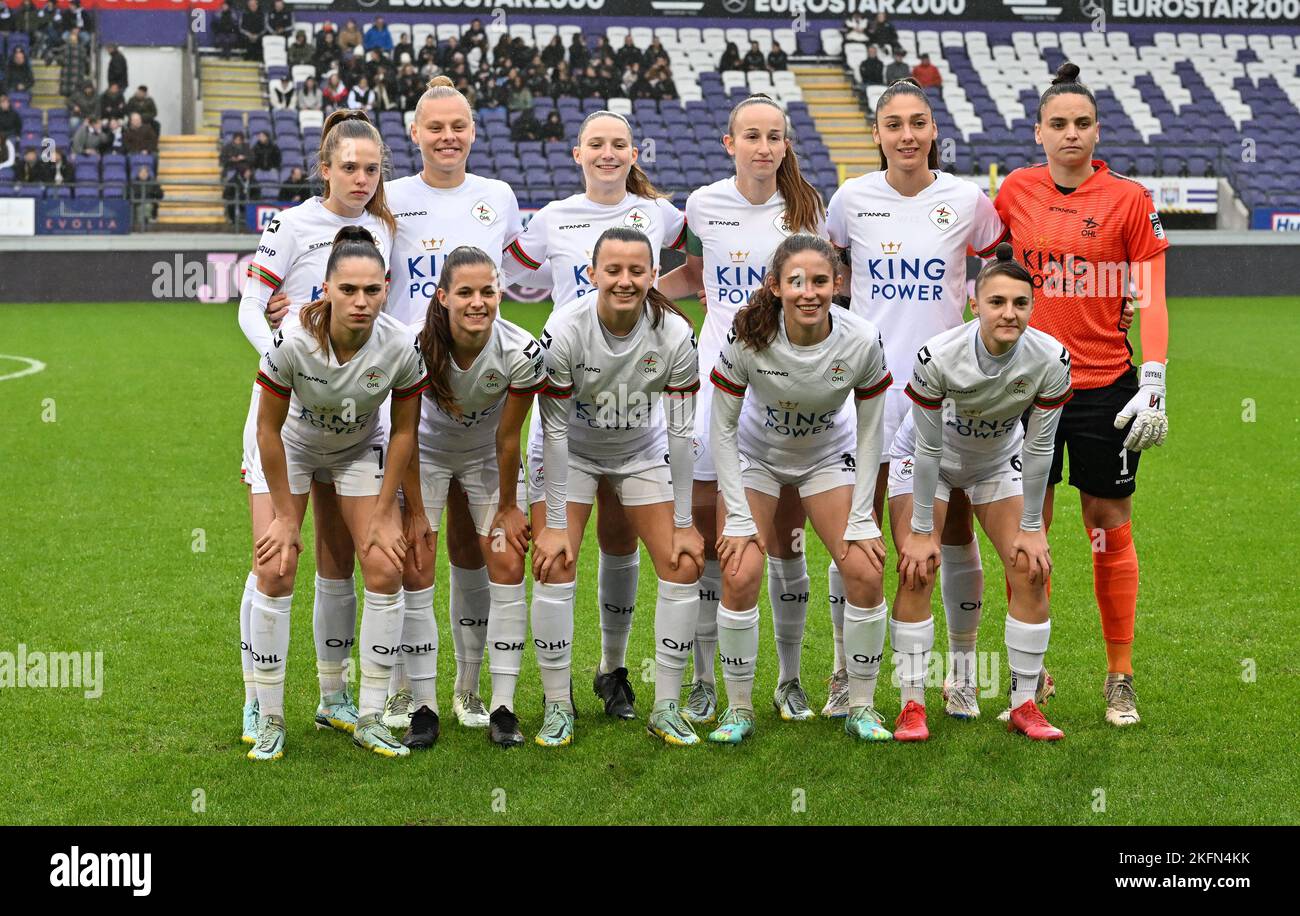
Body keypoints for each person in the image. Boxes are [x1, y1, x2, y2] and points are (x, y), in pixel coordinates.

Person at [993, 63, 1170, 727]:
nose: (1072, 134)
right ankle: (1031, 666)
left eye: (1083, 123)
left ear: (1098, 130)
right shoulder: (1015, 192)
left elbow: (1150, 293)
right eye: (1058, 124)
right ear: (1037, 132)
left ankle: (1119, 673)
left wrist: (1153, 376)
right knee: (1027, 528)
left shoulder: (1128, 200)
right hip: (1024, 389)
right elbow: (980, 259)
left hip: (1105, 390)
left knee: (1107, 526)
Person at [827, 78, 1008, 722]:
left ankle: (961, 674)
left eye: (918, 122)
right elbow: (829, 273)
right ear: (876, 134)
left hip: (947, 397)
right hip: (866, 393)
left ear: (934, 131)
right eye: (894, 124)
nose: (907, 135)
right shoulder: (851, 200)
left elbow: (1001, 272)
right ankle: (846, 672)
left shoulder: (967, 199)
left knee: (955, 531)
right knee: (858, 529)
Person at [503, 111, 687, 721]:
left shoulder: (659, 215)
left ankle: (615, 672)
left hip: (635, 417)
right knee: (556, 555)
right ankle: (557, 704)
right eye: (596, 145)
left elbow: (711, 250)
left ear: (635, 153)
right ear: (578, 152)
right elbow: (504, 271)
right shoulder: (552, 219)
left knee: (622, 543)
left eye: (619, 145)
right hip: (571, 396)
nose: (607, 154)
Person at [657, 94, 829, 723]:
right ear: (729, 144)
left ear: (786, 145)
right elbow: (697, 278)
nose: (764, 147)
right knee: (707, 531)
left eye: (775, 136)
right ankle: (703, 680)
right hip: (714, 380)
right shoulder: (703, 204)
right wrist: (645, 288)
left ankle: (788, 680)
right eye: (751, 136)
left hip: (787, 384)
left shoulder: (810, 210)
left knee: (783, 533)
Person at [236, 109, 398, 752]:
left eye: (371, 169)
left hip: (359, 418)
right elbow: (253, 300)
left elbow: (389, 312)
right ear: (324, 168)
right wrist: (284, 350)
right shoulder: (292, 224)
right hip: (288, 412)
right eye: (348, 167)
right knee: (275, 561)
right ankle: (259, 705)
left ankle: (336, 699)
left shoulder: (384, 228)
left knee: (343, 562)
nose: (360, 178)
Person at [250, 226, 427, 761]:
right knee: (276, 567)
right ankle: (269, 717)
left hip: (357, 450)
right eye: (348, 289)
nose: (361, 301)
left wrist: (383, 512)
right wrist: (284, 515)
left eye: (372, 290)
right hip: (294, 449)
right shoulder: (291, 342)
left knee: (385, 567)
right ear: (325, 289)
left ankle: (367, 714)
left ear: (386, 287)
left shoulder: (399, 344)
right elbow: (266, 431)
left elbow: (403, 432)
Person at [707, 233, 891, 744]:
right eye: (796, 282)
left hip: (826, 457)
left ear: (837, 282)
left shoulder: (860, 338)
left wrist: (861, 515)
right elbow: (719, 428)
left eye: (819, 281)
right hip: (757, 458)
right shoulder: (748, 336)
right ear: (776, 286)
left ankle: (861, 704)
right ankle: (738, 708)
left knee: (864, 570)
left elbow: (872, 429)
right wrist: (740, 517)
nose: (808, 292)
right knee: (740, 572)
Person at [379, 77, 522, 728]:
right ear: (414, 134)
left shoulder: (498, 198)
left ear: (472, 130)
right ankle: (414, 693)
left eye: (458, 126)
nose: (447, 137)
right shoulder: (390, 201)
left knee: (473, 549)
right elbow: (370, 285)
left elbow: (521, 278)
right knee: (414, 554)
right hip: (412, 399)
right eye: (434, 128)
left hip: (485, 409)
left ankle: (469, 688)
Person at [530, 227, 704, 747]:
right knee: (555, 562)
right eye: (613, 270)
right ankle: (558, 704)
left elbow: (679, 432)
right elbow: (555, 430)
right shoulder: (564, 328)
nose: (625, 281)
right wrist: (556, 525)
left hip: (639, 450)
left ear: (654, 276)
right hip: (570, 451)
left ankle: (661, 702)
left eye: (636, 270)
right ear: (592, 273)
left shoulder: (675, 333)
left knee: (683, 560)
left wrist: (684, 522)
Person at [894, 244, 1072, 741]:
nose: (1008, 313)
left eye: (1019, 302)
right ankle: (912, 704)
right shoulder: (939, 355)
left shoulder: (1051, 358)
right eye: (996, 302)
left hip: (995, 461)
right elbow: (927, 450)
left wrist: (1034, 528)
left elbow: (1040, 449)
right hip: (927, 459)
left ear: (1032, 307)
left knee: (1029, 568)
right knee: (917, 567)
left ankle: (1024, 702)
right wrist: (923, 530)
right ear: (976, 304)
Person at [397, 247, 545, 748]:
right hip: (426, 457)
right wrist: (415, 511)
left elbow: (509, 440)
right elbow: (406, 436)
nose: (478, 302)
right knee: (417, 565)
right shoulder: (415, 350)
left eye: (487, 291)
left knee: (506, 564)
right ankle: (422, 707)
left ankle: (498, 703)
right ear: (443, 298)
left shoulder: (521, 351)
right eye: (465, 292)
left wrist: (508, 507)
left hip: (486, 458)